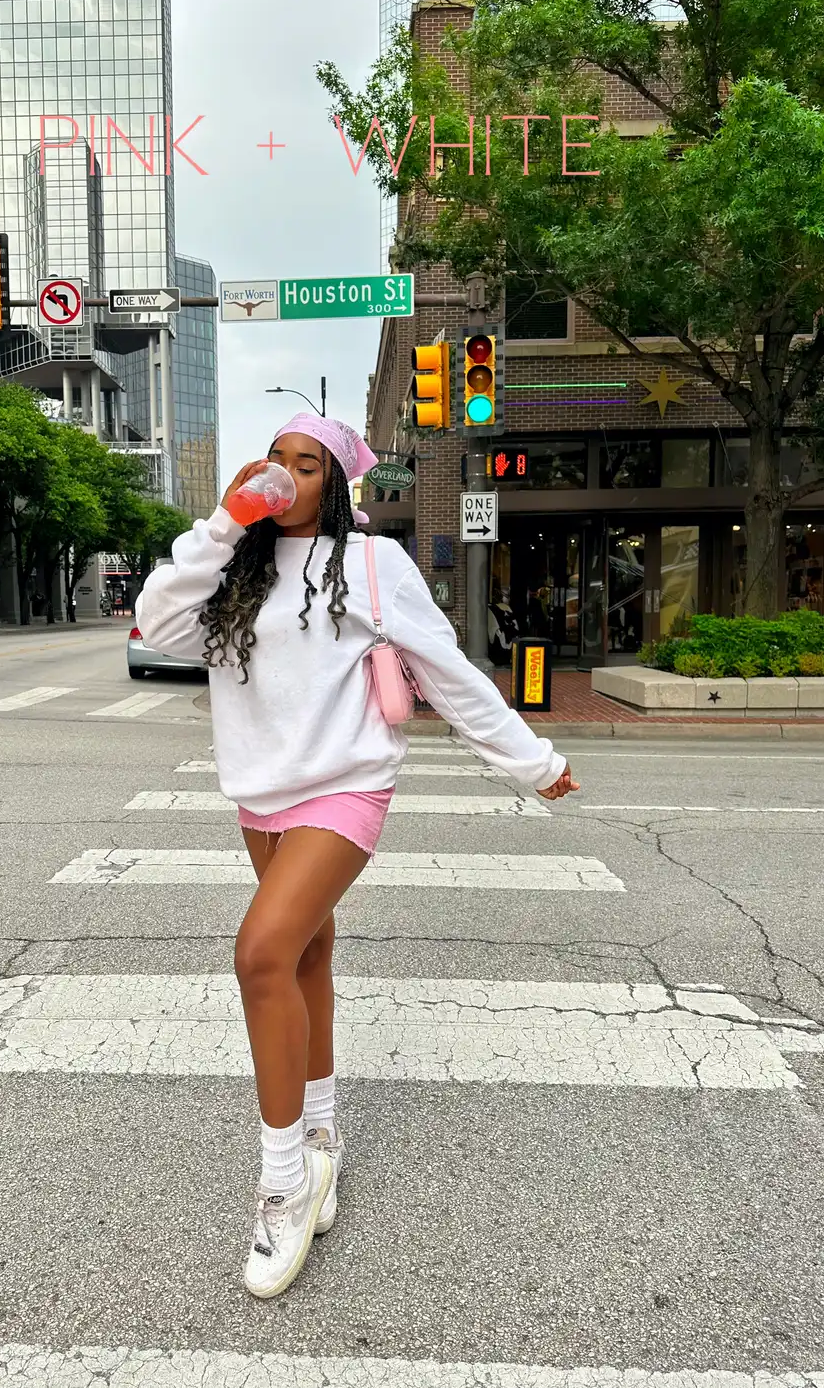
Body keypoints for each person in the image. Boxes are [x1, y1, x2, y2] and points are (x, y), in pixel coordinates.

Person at [135, 413, 579, 1300]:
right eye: (276, 461)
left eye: (308, 466)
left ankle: (286, 1180)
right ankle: (325, 1134)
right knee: (306, 955)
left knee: (260, 953)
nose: (287, 477)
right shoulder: (238, 563)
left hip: (345, 790)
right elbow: (155, 625)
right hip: (260, 795)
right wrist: (224, 523)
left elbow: (448, 669)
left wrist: (533, 762)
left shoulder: (375, 565)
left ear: (335, 483)